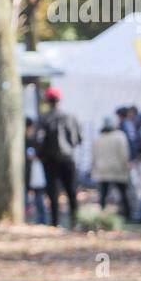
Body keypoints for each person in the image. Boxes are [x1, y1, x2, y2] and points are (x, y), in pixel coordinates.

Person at [36, 86, 81, 229]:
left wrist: (40, 155)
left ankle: (55, 222)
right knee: (71, 190)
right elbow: (78, 138)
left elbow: (39, 140)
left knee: (53, 192)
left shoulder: (43, 119)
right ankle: (75, 221)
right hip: (68, 159)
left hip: (50, 160)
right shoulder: (70, 117)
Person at [91, 118, 131, 220]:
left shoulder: (99, 138)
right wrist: (126, 166)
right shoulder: (120, 136)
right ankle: (127, 214)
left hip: (103, 169)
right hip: (118, 169)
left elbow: (94, 156)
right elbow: (124, 154)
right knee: (123, 193)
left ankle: (102, 214)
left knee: (103, 194)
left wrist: (94, 168)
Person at [24, 117, 47, 224]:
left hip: (35, 174)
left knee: (39, 199)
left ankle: (42, 221)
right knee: (26, 199)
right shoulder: (23, 141)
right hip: (26, 175)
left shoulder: (35, 140)